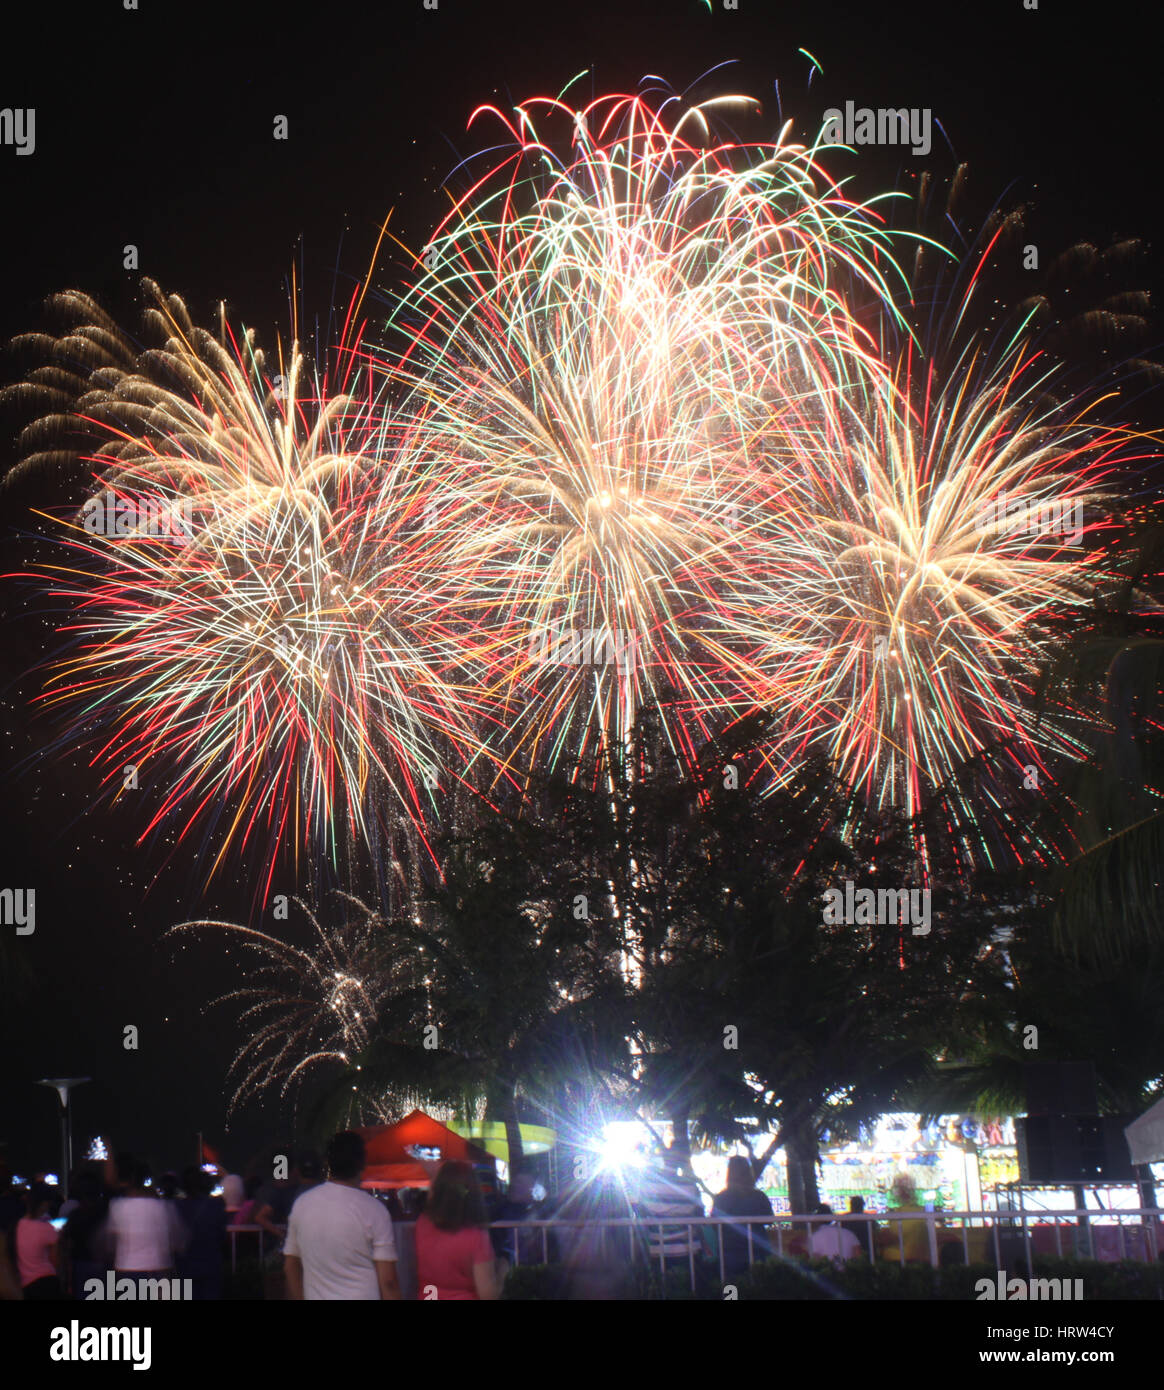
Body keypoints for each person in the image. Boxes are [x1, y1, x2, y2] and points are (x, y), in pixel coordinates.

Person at [283, 1132, 400, 1301]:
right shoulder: (375, 1211)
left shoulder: (302, 1204)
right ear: (362, 1163)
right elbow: (389, 1282)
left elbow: (290, 1266)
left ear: (328, 1162)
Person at [415, 1160, 501, 1300]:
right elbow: (487, 1294)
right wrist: (503, 1273)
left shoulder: (423, 1224)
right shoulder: (476, 1237)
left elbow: (433, 1199)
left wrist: (433, 1177)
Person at [103, 1161, 187, 1295]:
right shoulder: (164, 1207)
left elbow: (109, 1243)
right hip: (158, 1268)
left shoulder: (117, 1206)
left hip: (126, 1269)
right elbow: (179, 1241)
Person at [637, 1144, 705, 1268]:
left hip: (659, 1247)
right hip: (689, 1247)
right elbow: (700, 1214)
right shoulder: (691, 1186)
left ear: (664, 1158)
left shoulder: (649, 1184)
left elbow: (641, 1211)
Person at [711, 1156, 773, 1277]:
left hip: (729, 1251)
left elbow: (714, 1223)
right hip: (758, 1250)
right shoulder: (759, 1197)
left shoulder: (721, 1198)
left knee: (731, 1289)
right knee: (758, 1288)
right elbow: (770, 1219)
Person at [177, 1166, 228, 1300]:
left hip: (185, 1266)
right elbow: (222, 1236)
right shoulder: (216, 1205)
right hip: (211, 1266)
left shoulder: (177, 1207)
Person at [62, 1171, 108, 1297]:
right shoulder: (106, 1213)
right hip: (103, 1265)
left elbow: (68, 1245)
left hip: (80, 1266)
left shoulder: (74, 1215)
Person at [16, 1183, 62, 1298]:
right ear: (45, 1203)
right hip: (47, 1282)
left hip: (24, 1284)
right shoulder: (48, 1229)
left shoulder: (17, 1227)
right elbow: (56, 1260)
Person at [490, 1167, 543, 1267]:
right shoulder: (500, 1213)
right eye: (517, 1184)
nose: (516, 1187)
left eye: (522, 1185)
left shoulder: (535, 1213)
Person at [840, 1194, 878, 1260]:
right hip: (867, 1251)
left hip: (849, 1251)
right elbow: (877, 1233)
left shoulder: (843, 1219)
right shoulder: (870, 1219)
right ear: (862, 1206)